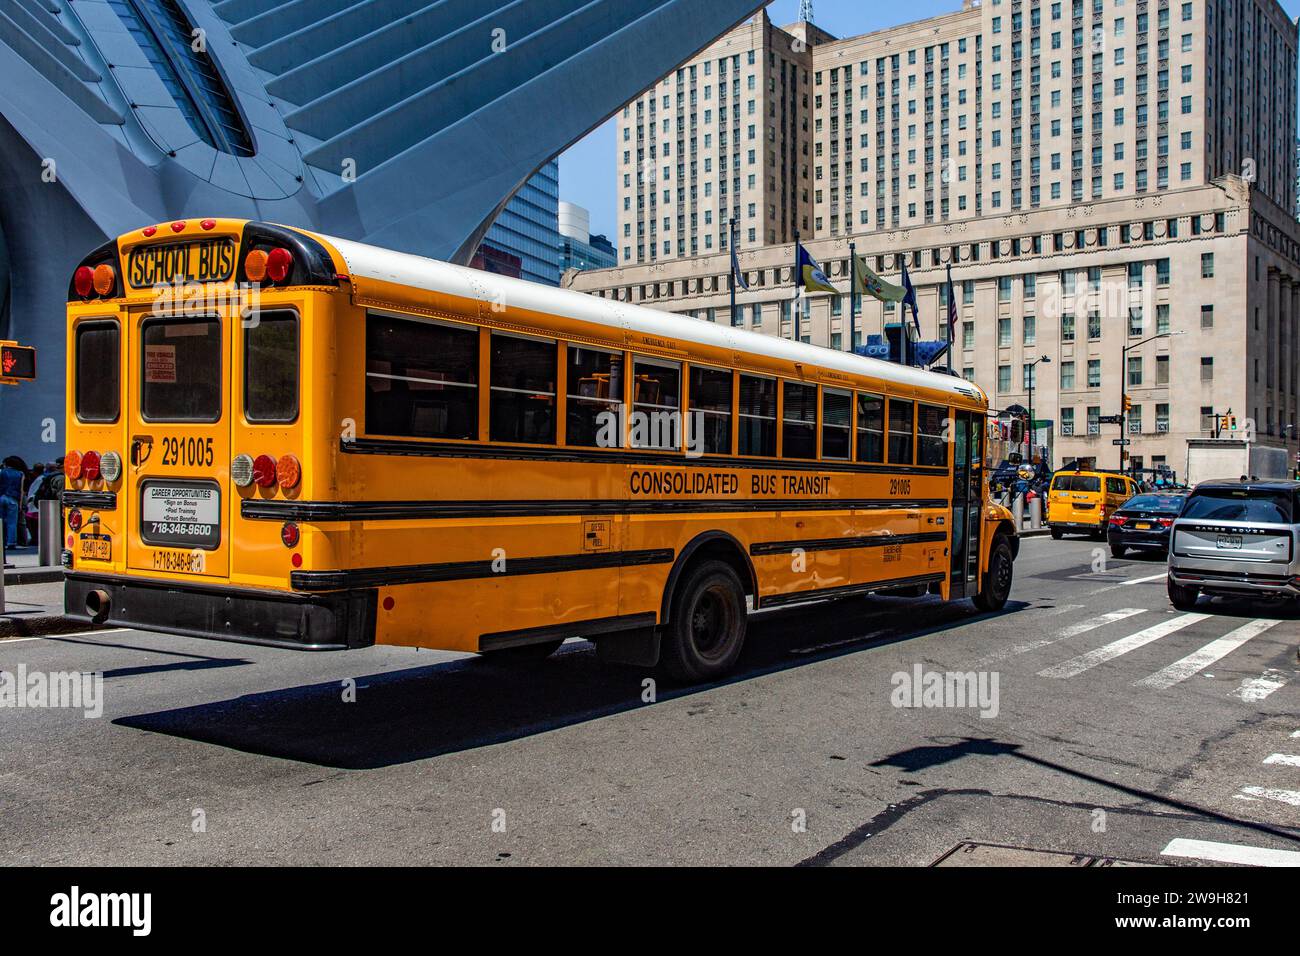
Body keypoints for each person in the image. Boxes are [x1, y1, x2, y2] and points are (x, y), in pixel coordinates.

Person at [0, 457, 24, 548]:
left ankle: (1, 541)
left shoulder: (1, 472)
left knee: (1, 521)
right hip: (13, 499)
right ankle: (11, 542)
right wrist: (20, 504)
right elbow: (21, 490)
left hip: (1, 497)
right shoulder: (20, 474)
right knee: (12, 522)